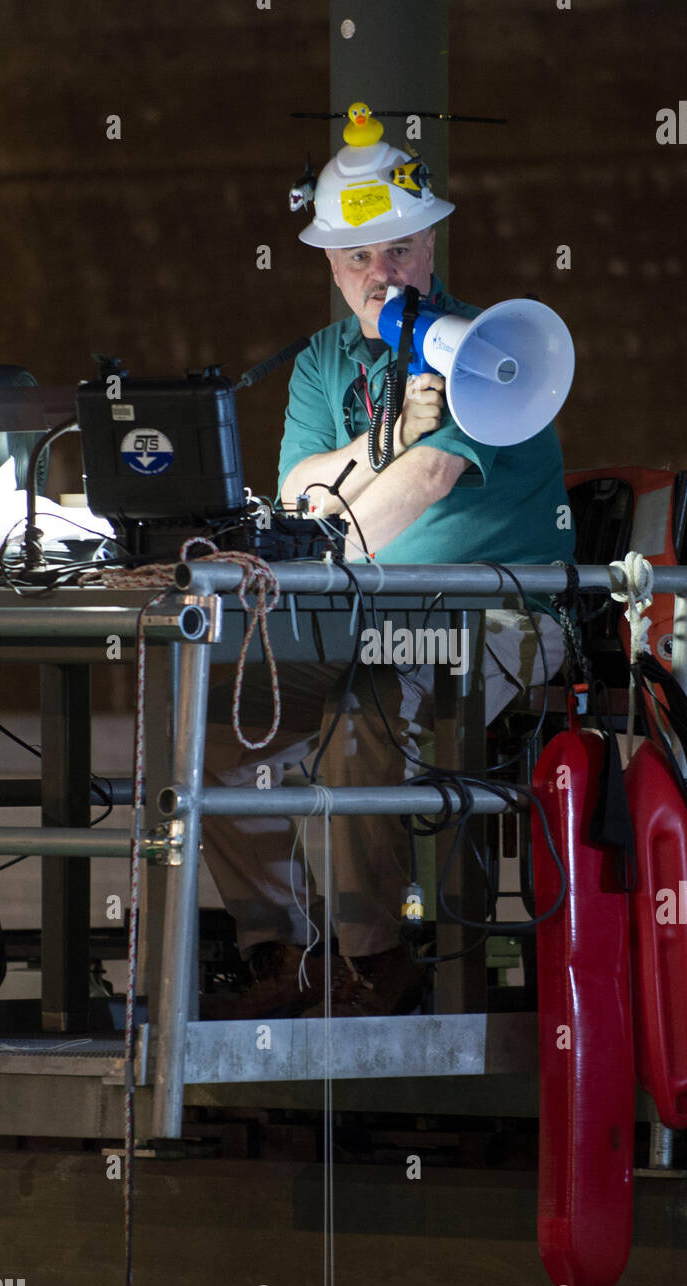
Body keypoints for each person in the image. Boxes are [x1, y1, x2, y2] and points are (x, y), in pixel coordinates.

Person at [201, 112, 574, 1019]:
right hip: (358, 614)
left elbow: (426, 480)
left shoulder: (488, 353)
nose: (383, 275)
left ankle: (376, 960)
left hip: (502, 618)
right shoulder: (326, 362)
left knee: (367, 711)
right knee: (223, 710)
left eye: (400, 250)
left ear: (432, 242)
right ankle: (282, 951)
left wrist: (359, 478)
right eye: (358, 257)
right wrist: (383, 444)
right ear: (328, 261)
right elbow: (295, 491)